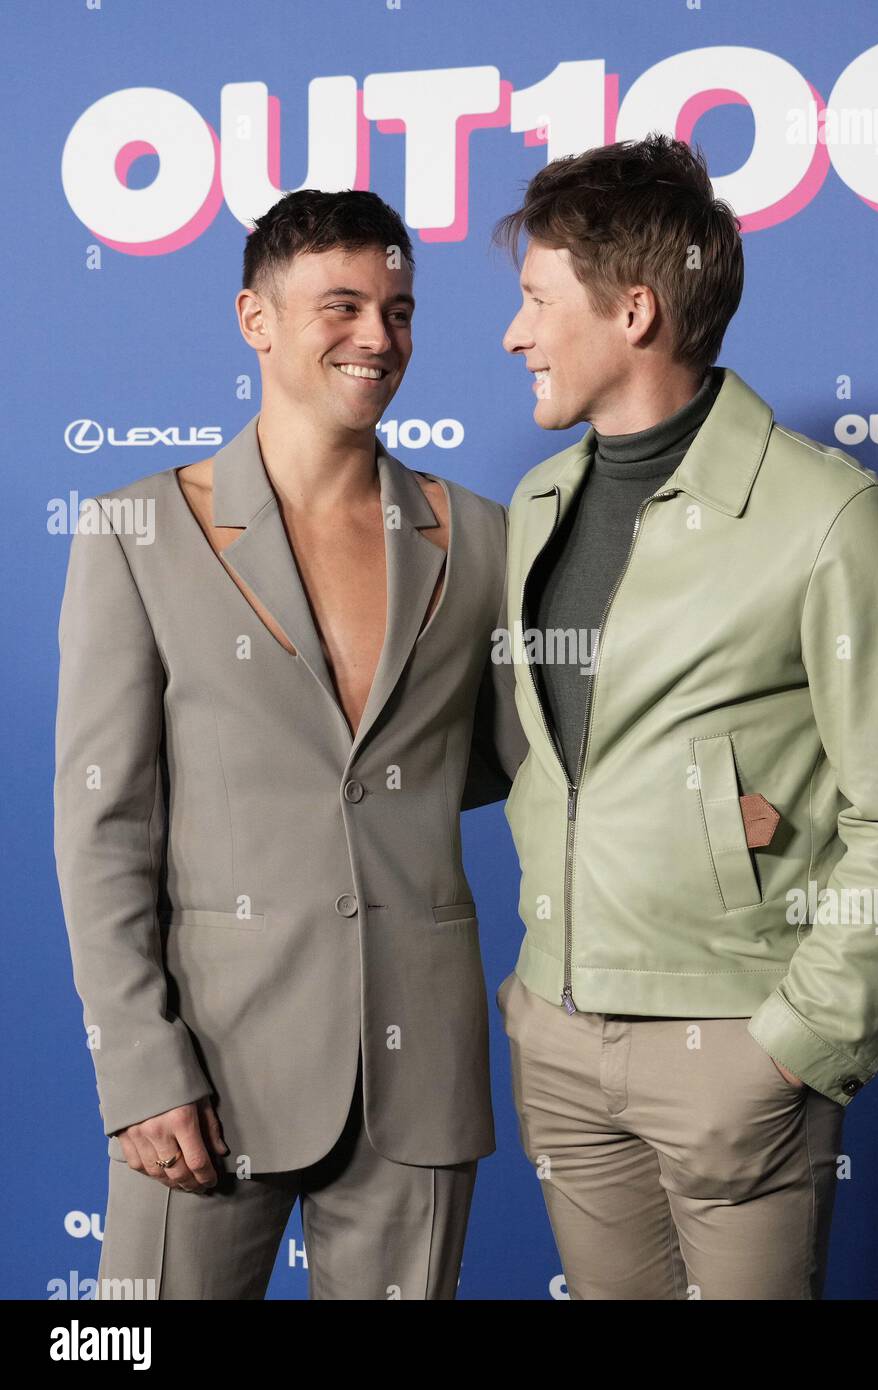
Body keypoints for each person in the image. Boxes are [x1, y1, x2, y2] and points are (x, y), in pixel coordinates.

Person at [492, 134, 878, 1299]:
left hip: (732, 1044)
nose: (512, 334)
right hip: (555, 1036)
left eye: (533, 301)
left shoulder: (829, 519)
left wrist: (793, 1048)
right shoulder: (538, 500)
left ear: (635, 312)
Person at [53, 188, 526, 1300]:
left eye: (400, 310)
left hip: (421, 1073)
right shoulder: (139, 529)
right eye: (343, 306)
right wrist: (138, 1062)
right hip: (205, 1069)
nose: (378, 338)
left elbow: (521, 764)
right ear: (254, 320)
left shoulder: (479, 534)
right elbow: (102, 823)